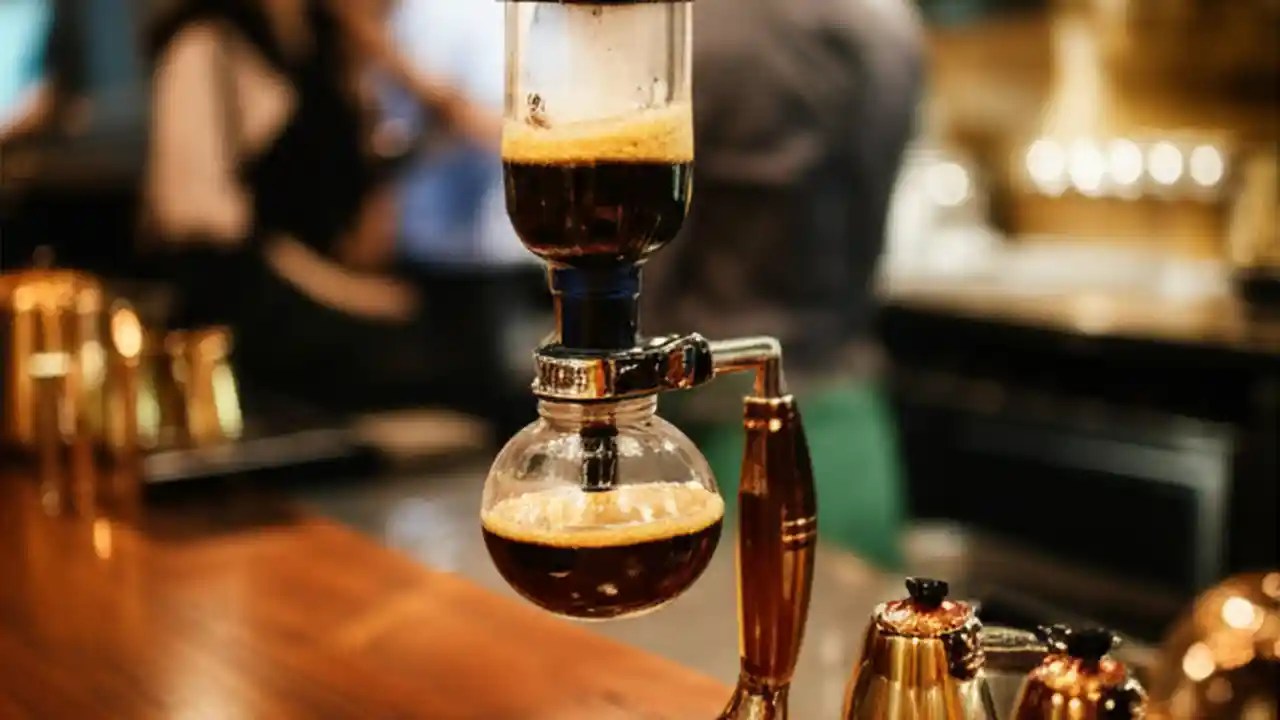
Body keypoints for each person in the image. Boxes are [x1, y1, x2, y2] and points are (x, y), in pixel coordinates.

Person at [644, 0, 925, 568]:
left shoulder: (707, 31)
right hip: (849, 416)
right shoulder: (894, 24)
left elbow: (650, 251)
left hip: (722, 429)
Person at [143, 0, 495, 414]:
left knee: (470, 346)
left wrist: (378, 50)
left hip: (324, 299)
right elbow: (204, 230)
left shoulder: (324, 46)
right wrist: (351, 295)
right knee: (454, 366)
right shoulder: (207, 45)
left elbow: (365, 239)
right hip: (248, 317)